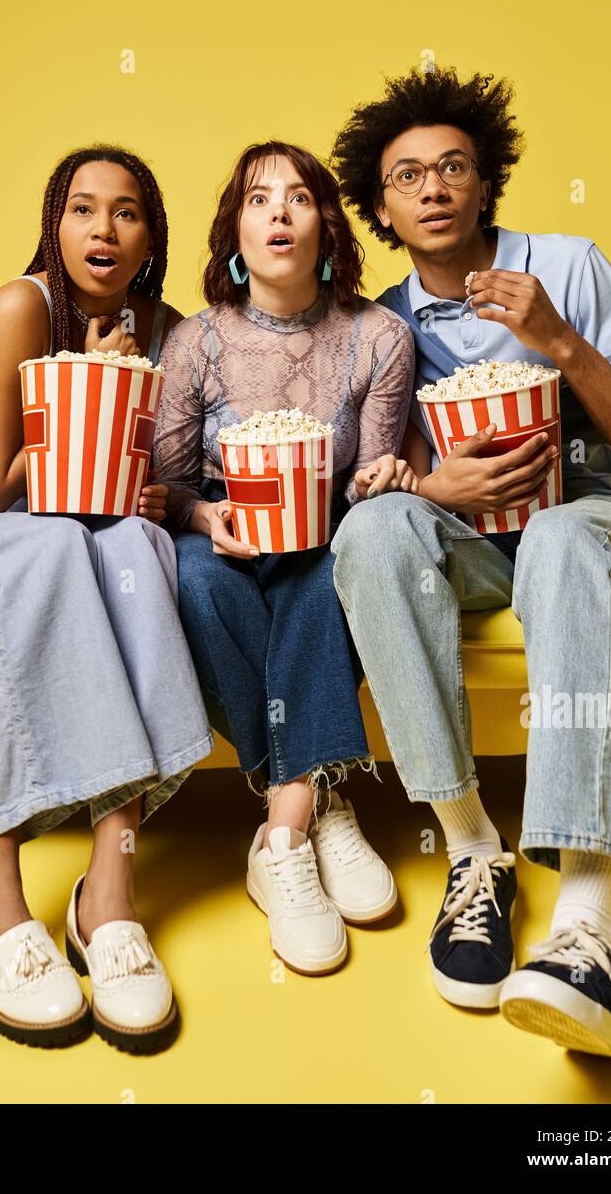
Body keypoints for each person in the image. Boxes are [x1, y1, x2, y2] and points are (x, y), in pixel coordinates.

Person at [328, 65, 611, 1059]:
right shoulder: (382, 325)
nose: (433, 187)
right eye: (407, 176)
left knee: (565, 536)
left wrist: (554, 340)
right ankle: (474, 849)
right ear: (382, 208)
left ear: (485, 185)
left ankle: (587, 915)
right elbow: (372, 473)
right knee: (371, 529)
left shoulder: (564, 266)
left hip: (586, 510)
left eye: (452, 167)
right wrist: (434, 488)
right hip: (471, 539)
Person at [0, 145, 213, 1053]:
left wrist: (153, 492)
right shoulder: (22, 305)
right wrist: (88, 392)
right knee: (53, 543)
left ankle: (108, 892)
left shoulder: (172, 328)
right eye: (83, 209)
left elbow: (150, 481)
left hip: (85, 529)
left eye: (126, 213)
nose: (103, 230)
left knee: (134, 541)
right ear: (56, 223)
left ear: (150, 235)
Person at [151, 140, 417, 976]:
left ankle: (281, 832)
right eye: (258, 199)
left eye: (299, 198)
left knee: (319, 570)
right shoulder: (196, 342)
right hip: (223, 545)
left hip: (323, 542)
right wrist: (204, 515)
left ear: (325, 226)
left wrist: (382, 477)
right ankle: (319, 795)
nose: (278, 212)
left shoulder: (380, 335)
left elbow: (369, 480)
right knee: (190, 577)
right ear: (235, 227)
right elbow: (165, 482)